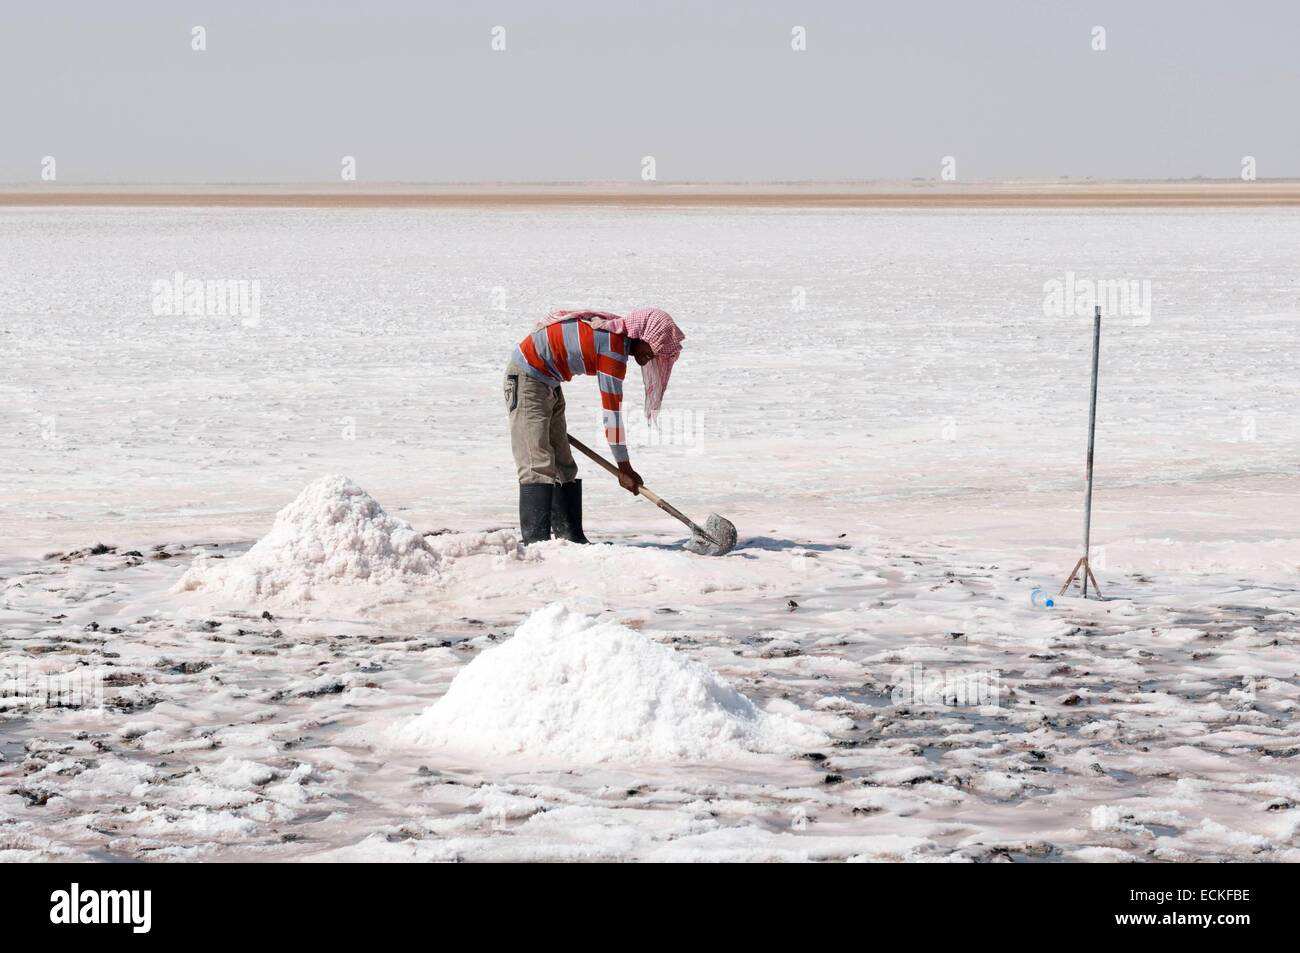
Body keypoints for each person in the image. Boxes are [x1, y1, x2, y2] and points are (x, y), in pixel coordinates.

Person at [504, 307, 686, 543]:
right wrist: (625, 468)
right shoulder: (613, 349)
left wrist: (624, 468)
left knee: (563, 463)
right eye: (654, 349)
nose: (653, 357)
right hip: (527, 378)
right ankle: (536, 543)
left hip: (548, 382)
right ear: (643, 336)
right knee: (536, 461)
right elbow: (612, 415)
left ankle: (570, 538)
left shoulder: (616, 339)